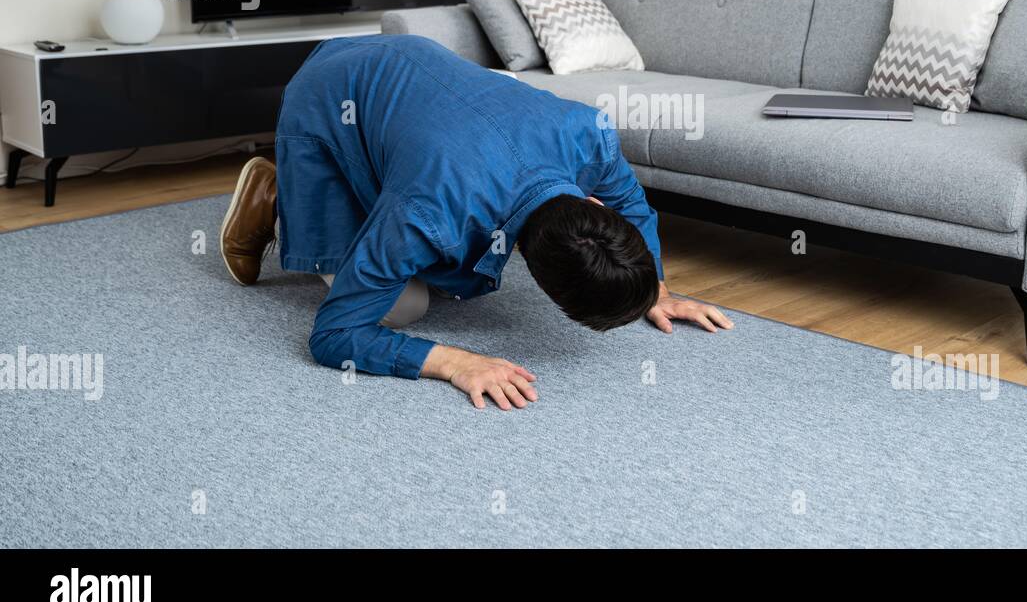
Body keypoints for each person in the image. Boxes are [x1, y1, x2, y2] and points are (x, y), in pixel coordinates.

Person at [219, 34, 732, 410]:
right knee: (406, 304)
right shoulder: (429, 211)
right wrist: (455, 362)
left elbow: (635, 209)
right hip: (329, 96)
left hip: (413, 70)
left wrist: (654, 288)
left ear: (596, 207)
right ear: (532, 272)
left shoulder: (588, 132)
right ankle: (274, 195)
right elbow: (334, 335)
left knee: (426, 254)